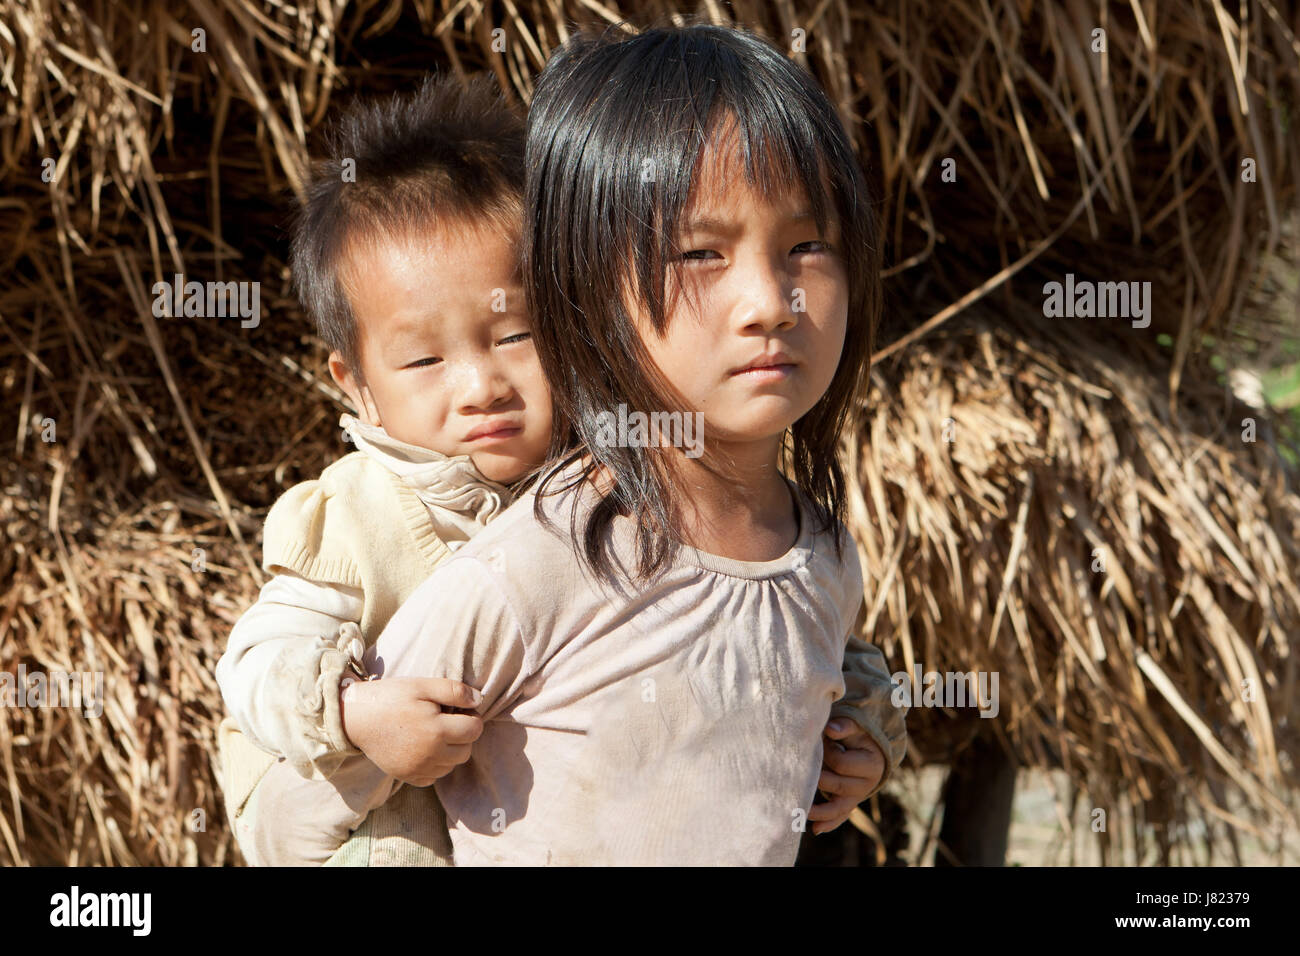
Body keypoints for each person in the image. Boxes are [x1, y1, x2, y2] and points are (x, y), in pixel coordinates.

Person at [265, 22, 908, 865]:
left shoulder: (824, 557)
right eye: (700, 251)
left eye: (806, 245)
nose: (769, 301)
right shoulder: (541, 560)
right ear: (584, 288)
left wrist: (865, 735)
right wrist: (353, 740)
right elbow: (288, 811)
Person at [213, 73, 552, 866]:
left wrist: (859, 718)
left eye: (514, 336)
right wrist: (353, 711)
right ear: (358, 387)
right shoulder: (353, 517)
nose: (480, 387)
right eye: (425, 358)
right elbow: (256, 665)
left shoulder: (628, 485)